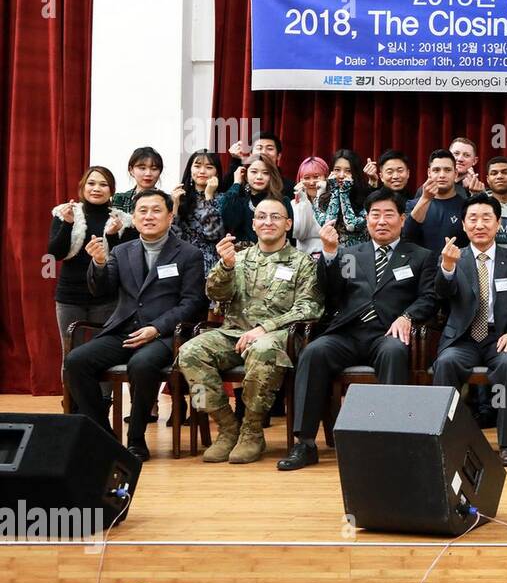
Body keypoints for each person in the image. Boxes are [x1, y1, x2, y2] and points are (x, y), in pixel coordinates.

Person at [279, 189, 438, 470]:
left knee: (394, 352)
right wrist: (329, 255)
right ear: (367, 221)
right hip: (348, 332)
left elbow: (428, 298)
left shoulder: (420, 256)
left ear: (402, 219)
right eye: (375, 215)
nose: (382, 221)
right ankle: (304, 443)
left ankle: (390, 440)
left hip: (387, 333)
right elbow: (330, 292)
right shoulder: (351, 255)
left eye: (389, 214)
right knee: (314, 352)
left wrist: (407, 316)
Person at [63, 190, 207, 461]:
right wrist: (99, 263)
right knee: (76, 361)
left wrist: (156, 328)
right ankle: (103, 435)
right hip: (124, 330)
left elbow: (192, 303)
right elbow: (101, 290)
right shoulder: (121, 250)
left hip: (164, 336)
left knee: (141, 365)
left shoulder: (189, 254)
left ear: (169, 215)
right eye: (143, 211)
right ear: (135, 216)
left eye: (156, 210)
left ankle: (136, 439)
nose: (149, 216)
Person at [177, 199, 322, 464]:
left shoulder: (302, 262)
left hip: (278, 335)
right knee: (189, 352)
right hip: (232, 332)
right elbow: (214, 294)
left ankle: (252, 431)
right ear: (253, 224)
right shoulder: (238, 258)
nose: (268, 222)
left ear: (288, 224)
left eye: (276, 217)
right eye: (262, 217)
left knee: (263, 348)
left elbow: (310, 307)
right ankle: (226, 426)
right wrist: (226, 267)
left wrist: (264, 328)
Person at [430, 194, 507, 467]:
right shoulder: (454, 258)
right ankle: (443, 441)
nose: (480, 225)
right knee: (446, 363)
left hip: (499, 337)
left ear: (498, 224)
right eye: (473, 219)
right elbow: (440, 297)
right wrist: (448, 268)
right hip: (463, 338)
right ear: (464, 226)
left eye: (486, 218)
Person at [49, 166, 132, 355]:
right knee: (71, 355)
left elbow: (124, 261)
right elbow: (55, 254)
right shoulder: (65, 213)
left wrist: (111, 236)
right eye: (91, 183)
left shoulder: (122, 220)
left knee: (103, 355)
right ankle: (70, 387)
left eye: (103, 184)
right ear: (82, 187)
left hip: (107, 298)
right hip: (70, 297)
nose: (96, 188)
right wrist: (68, 224)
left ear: (111, 190)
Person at [219, 155, 294, 246]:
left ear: (271, 176)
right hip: (242, 256)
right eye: (254, 172)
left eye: (265, 173)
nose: (259, 177)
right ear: (245, 175)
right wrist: (236, 183)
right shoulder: (240, 201)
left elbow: (288, 235)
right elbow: (228, 221)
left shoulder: (282, 202)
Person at [171, 150, 226, 273]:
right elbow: (173, 237)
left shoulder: (223, 198)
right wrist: (175, 205)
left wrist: (208, 196)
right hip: (181, 262)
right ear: (190, 170)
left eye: (209, 167)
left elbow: (213, 234)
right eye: (197, 166)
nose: (202, 171)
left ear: (216, 172)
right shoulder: (179, 196)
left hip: (209, 265)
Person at [403, 149, 469, 251]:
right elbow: (406, 236)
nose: (442, 175)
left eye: (447, 170)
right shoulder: (412, 205)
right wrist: (425, 199)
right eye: (436, 170)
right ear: (429, 173)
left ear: (455, 173)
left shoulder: (466, 206)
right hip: (421, 266)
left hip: (455, 265)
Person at [312, 149, 372, 248]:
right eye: (337, 170)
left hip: (360, 254)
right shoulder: (321, 198)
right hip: (333, 254)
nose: (341, 175)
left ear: (355, 173)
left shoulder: (367, 197)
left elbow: (351, 225)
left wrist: (344, 193)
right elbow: (328, 224)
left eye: (348, 171)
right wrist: (335, 190)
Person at [111, 146, 164, 220]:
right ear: (131, 170)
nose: (148, 173)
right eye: (142, 168)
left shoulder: (167, 200)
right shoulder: (120, 199)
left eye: (154, 169)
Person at [291, 157, 330, 256]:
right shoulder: (294, 204)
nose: (312, 182)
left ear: (326, 177)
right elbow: (300, 234)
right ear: (300, 180)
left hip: (329, 255)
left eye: (316, 177)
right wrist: (304, 203)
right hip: (303, 259)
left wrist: (320, 196)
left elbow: (328, 229)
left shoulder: (334, 202)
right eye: (307, 178)